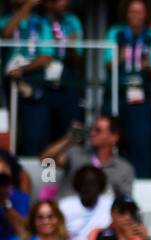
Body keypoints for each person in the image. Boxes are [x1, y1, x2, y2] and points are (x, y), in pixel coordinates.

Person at [102, 0, 151, 178]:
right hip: (117, 94)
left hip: (140, 96)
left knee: (140, 141)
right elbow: (108, 65)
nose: (136, 16)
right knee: (114, 139)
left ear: (146, 15)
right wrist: (119, 58)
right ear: (126, 14)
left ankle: (141, 181)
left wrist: (148, 67)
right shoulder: (116, 33)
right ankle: (110, 178)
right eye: (132, 12)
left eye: (140, 12)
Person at [1, 0, 55, 156]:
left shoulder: (42, 23)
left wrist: (23, 70)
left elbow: (47, 56)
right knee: (8, 129)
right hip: (7, 84)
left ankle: (36, 171)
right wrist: (26, 7)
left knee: (33, 132)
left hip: (33, 81)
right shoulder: (5, 20)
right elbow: (6, 33)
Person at [41, 114, 136, 201]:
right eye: (91, 129)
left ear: (114, 137)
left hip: (100, 217)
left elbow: (125, 202)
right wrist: (68, 138)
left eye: (98, 130)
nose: (92, 133)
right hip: (67, 214)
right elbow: (45, 160)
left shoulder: (124, 169)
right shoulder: (75, 153)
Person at [42, 0, 83, 146]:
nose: (64, 3)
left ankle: (73, 166)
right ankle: (46, 168)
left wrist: (70, 46)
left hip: (68, 79)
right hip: (42, 81)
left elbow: (79, 60)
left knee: (73, 128)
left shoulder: (72, 21)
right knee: (43, 133)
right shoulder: (40, 21)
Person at [57, 164, 111, 240]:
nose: (89, 188)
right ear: (77, 186)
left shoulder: (110, 205)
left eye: (93, 184)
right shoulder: (64, 206)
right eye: (85, 184)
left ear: (101, 186)